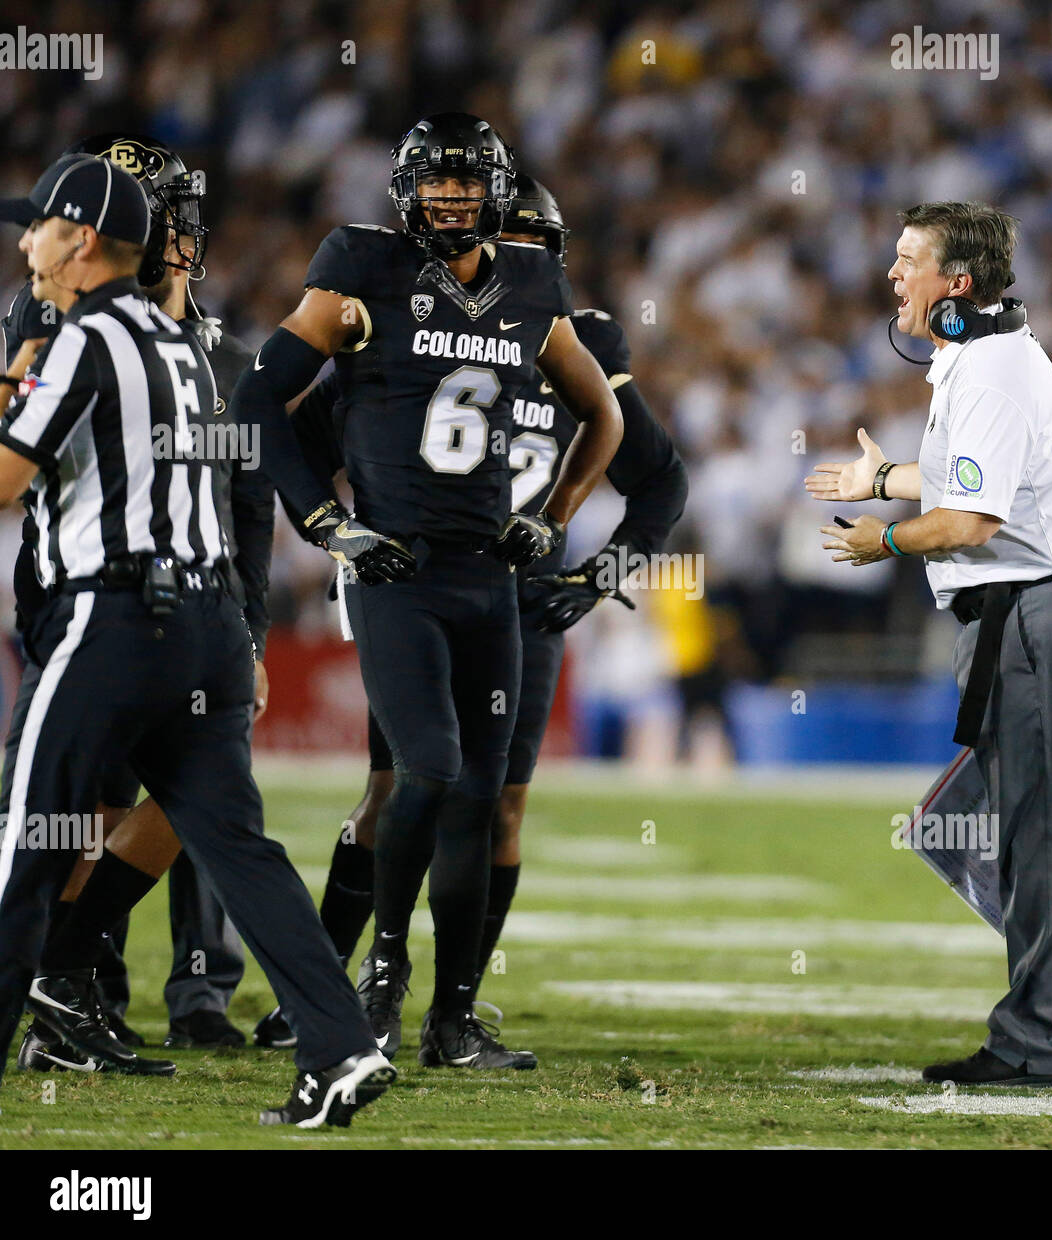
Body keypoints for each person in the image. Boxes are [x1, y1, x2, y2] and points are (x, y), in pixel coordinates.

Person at [0, 152, 393, 1127]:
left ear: (82, 241)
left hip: (115, 616)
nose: (24, 244)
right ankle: (340, 1047)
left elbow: (6, 479)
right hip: (211, 623)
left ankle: (49, 994)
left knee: (26, 845)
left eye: (40, 228)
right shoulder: (190, 344)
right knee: (241, 849)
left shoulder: (84, 336)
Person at [252, 174, 688, 1051]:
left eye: (533, 246)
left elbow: (657, 476)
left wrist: (599, 570)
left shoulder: (575, 333)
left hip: (522, 602)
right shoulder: (405, 321)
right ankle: (334, 991)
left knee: (494, 806)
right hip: (416, 578)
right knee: (402, 785)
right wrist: (342, 523)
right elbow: (308, 427)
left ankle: (453, 1008)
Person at [808, 201, 1052, 1088]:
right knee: (1051, 830)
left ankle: (1036, 1043)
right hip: (1040, 611)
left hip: (1034, 615)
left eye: (910, 260)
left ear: (957, 282)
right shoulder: (986, 355)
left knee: (1039, 836)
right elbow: (973, 481)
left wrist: (885, 538)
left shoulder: (985, 371)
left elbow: (974, 518)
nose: (893, 275)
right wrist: (890, 479)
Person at [3, 133, 269, 1071]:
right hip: (78, 599)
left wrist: (253, 631)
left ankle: (70, 983)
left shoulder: (222, 356)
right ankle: (64, 1001)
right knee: (62, 817)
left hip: (191, 611)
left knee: (173, 808)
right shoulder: (46, 318)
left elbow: (247, 513)